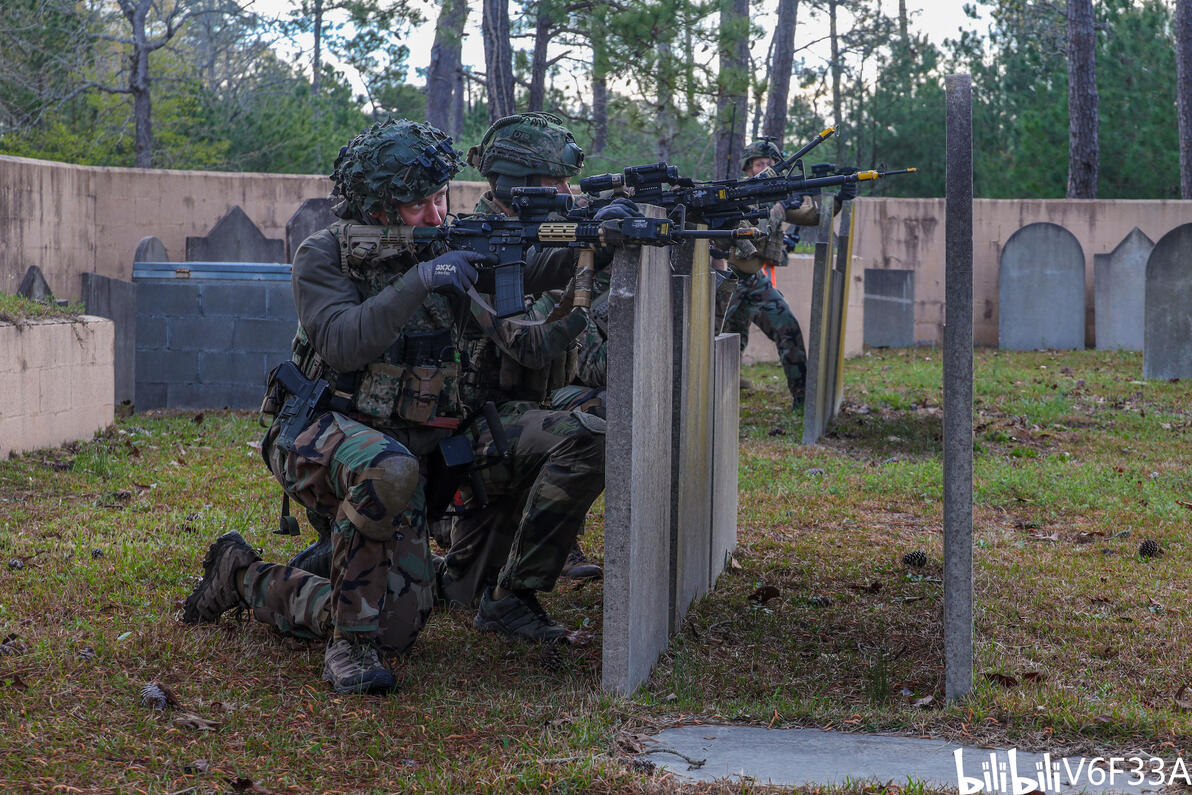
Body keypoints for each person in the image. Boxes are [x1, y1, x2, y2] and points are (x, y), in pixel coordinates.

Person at [180, 119, 596, 695]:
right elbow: (343, 343)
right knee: (390, 616)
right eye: (417, 205)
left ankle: (497, 590)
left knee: (583, 434)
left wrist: (593, 238)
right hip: (326, 434)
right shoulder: (325, 255)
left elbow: (533, 269)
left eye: (439, 198)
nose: (436, 215)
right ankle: (256, 583)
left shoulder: (447, 239)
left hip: (430, 447)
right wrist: (421, 280)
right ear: (377, 207)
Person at [435, 112, 609, 609]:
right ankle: (512, 594)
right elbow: (531, 344)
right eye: (557, 181)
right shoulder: (476, 241)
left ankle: (539, 541)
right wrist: (583, 274)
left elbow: (587, 353)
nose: (567, 191)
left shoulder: (539, 233)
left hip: (518, 415)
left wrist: (604, 240)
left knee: (606, 409)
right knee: (587, 436)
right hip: (468, 433)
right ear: (518, 183)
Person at [720, 137, 856, 409]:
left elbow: (812, 215)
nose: (765, 169)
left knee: (788, 329)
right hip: (726, 281)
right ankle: (717, 394)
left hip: (754, 282)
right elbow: (747, 231)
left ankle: (804, 400)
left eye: (769, 163)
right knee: (723, 342)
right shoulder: (736, 194)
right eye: (759, 164)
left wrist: (839, 197)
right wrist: (780, 208)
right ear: (748, 168)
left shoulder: (774, 194)